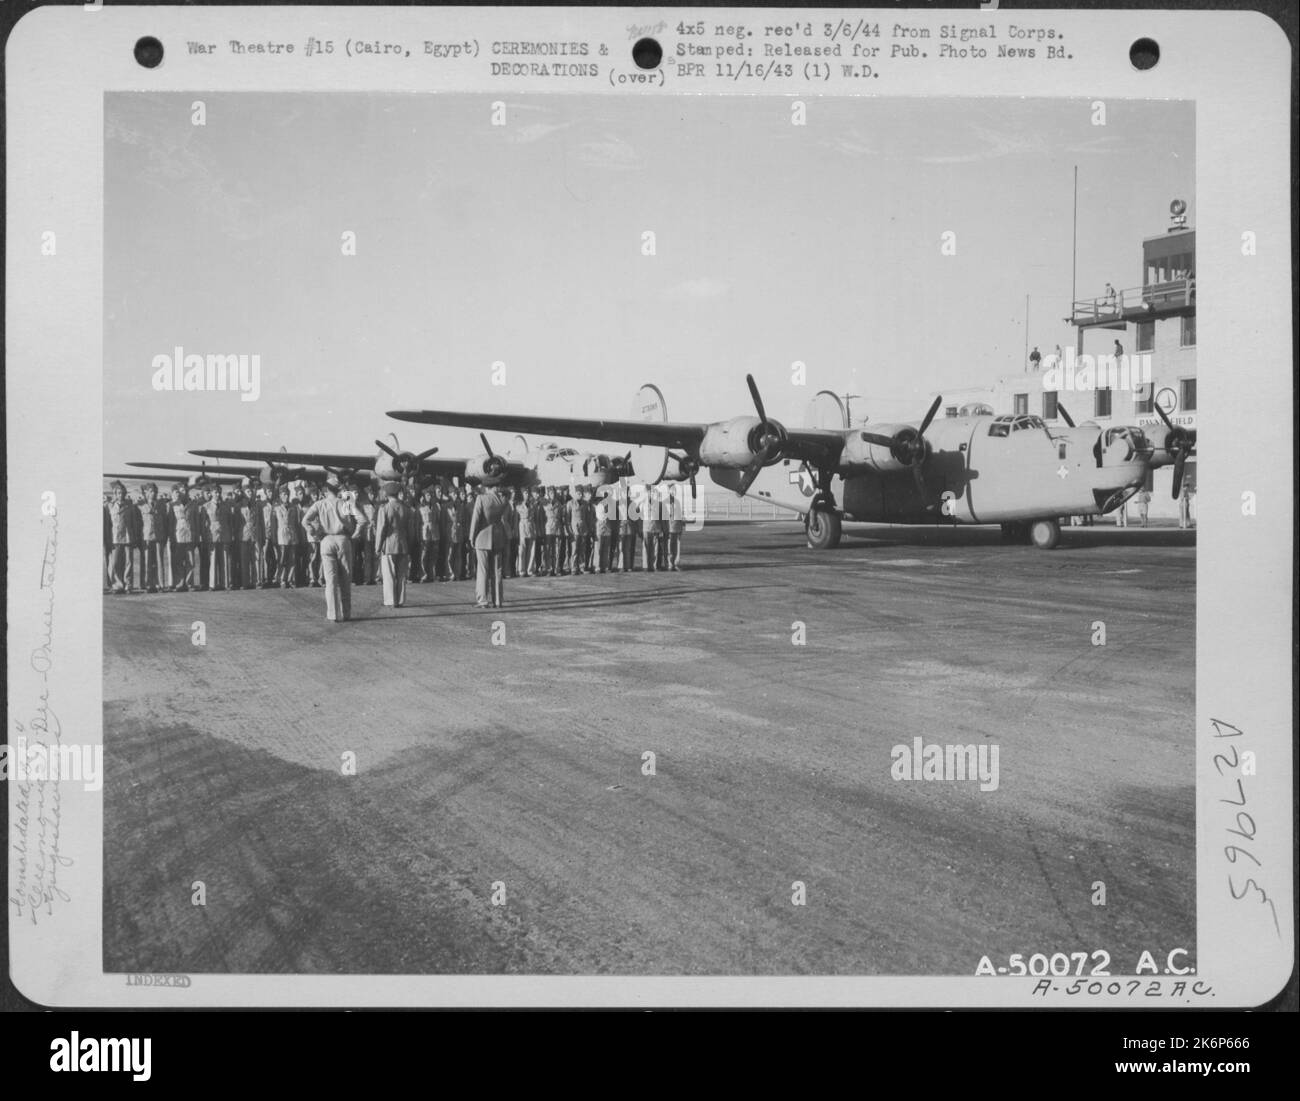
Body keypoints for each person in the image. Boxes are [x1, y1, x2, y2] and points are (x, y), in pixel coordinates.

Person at [301, 477, 358, 622]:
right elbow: (355, 522)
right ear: (339, 489)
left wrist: (314, 532)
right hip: (343, 539)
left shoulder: (319, 504)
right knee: (345, 579)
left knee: (330, 581)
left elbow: (305, 521)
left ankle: (333, 615)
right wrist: (351, 533)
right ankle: (346, 613)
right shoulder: (346, 502)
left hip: (326, 540)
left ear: (326, 489)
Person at [469, 477, 510, 608]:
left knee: (482, 570)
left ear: (486, 487)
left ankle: (483, 600)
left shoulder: (481, 499)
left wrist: (471, 536)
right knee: (497, 570)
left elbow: (475, 519)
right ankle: (498, 600)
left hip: (482, 537)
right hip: (498, 537)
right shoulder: (503, 500)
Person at [374, 481, 412, 608]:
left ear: (387, 494)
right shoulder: (406, 508)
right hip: (403, 543)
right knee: (401, 574)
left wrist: (378, 547)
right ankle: (400, 600)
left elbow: (381, 529)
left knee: (389, 574)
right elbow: (410, 529)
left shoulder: (384, 508)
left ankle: (390, 600)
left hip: (389, 544)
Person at [166, 483, 201, 591]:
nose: (184, 492)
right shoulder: (172, 505)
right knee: (179, 562)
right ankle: (180, 583)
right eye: (181, 490)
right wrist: (171, 537)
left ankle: (189, 583)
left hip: (190, 535)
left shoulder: (193, 504)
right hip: (178, 536)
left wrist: (197, 536)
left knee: (191, 561)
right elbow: (171, 523)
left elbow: (196, 521)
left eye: (185, 490)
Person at [106, 481, 139, 594]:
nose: (121, 495)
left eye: (122, 493)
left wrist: (134, 538)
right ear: (115, 494)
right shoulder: (110, 506)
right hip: (115, 537)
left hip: (127, 536)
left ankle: (128, 584)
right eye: (118, 493)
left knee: (128, 562)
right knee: (115, 562)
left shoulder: (130, 507)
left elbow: (134, 523)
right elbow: (108, 524)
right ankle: (117, 585)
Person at [138, 482, 170, 593]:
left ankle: (160, 584)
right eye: (151, 491)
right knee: (147, 561)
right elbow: (138, 523)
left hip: (159, 536)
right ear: (146, 493)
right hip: (146, 536)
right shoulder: (140, 506)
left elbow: (165, 522)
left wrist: (165, 536)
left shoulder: (161, 505)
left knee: (159, 561)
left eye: (155, 491)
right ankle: (148, 584)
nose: (153, 493)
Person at [234, 484, 265, 589]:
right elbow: (236, 523)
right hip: (243, 535)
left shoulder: (257, 506)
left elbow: (261, 522)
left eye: (251, 491)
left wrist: (263, 535)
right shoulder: (239, 507)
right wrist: (237, 536)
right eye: (248, 491)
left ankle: (257, 581)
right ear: (243, 493)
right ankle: (245, 582)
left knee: (257, 559)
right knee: (244, 560)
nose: (250, 493)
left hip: (255, 535)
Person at [274, 486, 299, 587]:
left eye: (287, 494)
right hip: (282, 536)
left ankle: (290, 579)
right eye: (284, 494)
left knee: (292, 558)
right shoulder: (277, 508)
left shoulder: (293, 507)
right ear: (280, 496)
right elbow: (274, 524)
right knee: (282, 559)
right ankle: (282, 579)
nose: (286, 496)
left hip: (292, 534)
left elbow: (296, 523)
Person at [351, 485, 376, 585]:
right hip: (359, 534)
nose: (372, 496)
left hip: (366, 534)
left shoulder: (366, 505)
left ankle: (368, 578)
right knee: (355, 557)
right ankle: (357, 578)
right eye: (354, 493)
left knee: (365, 557)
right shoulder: (357, 505)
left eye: (357, 493)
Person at [568, 486, 591, 575]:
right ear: (575, 494)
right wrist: (570, 530)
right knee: (574, 550)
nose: (580, 495)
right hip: (574, 530)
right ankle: (573, 568)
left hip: (583, 529)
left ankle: (582, 567)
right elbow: (567, 519)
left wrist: (588, 528)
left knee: (582, 549)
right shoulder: (570, 503)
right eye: (578, 493)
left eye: (581, 494)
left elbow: (587, 517)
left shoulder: (585, 504)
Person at [516, 490, 537, 577]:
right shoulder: (518, 505)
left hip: (531, 526)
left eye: (528, 493)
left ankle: (530, 570)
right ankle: (521, 570)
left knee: (532, 549)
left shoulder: (532, 505)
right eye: (525, 493)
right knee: (522, 549)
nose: (527, 495)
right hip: (522, 526)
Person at [542, 488, 562, 576]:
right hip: (548, 528)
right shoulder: (545, 504)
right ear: (548, 494)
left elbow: (561, 517)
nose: (552, 495)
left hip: (557, 528)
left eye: (553, 493)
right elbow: (542, 517)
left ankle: (556, 568)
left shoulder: (558, 504)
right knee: (548, 549)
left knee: (557, 549)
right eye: (550, 493)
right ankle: (548, 568)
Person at [666, 485, 686, 570]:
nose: (674, 491)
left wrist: (682, 524)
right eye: (672, 490)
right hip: (670, 528)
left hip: (677, 527)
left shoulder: (677, 502)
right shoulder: (665, 503)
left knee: (677, 547)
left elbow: (679, 515)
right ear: (668, 491)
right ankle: (670, 564)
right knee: (670, 547)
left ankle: (676, 563)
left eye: (675, 490)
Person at [641, 486, 661, 571]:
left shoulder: (657, 503)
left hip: (655, 527)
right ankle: (646, 566)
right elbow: (641, 515)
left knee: (655, 548)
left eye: (652, 492)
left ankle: (654, 565)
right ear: (646, 493)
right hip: (646, 527)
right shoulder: (642, 503)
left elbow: (659, 516)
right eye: (648, 492)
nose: (650, 494)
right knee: (646, 547)